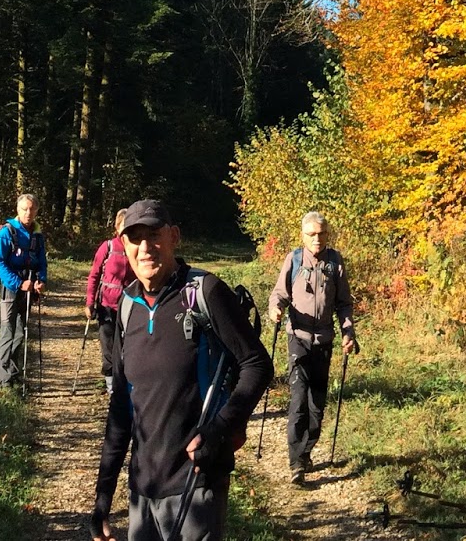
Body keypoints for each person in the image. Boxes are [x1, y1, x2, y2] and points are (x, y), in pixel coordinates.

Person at [90, 198, 272, 541]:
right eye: (135, 238)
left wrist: (219, 429)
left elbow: (257, 364)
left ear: (174, 236)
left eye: (154, 235)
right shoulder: (127, 307)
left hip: (198, 480)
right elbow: (120, 409)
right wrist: (102, 498)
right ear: (123, 244)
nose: (145, 248)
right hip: (143, 487)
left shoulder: (206, 292)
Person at [267, 210, 357, 485]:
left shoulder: (334, 261)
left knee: (317, 406)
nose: (317, 239)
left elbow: (343, 302)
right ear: (303, 236)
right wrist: (275, 309)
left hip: (325, 341)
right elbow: (279, 293)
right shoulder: (294, 259)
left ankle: (306, 451)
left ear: (327, 235)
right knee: (298, 401)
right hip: (298, 338)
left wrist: (348, 331)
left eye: (321, 234)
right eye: (312, 234)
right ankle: (296, 463)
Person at [0, 193, 47, 390]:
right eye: (24, 209)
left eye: (32, 209)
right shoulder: (7, 232)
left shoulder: (37, 235)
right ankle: (5, 380)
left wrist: (41, 280)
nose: (28, 213)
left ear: (37, 210)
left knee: (21, 332)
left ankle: (13, 374)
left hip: (30, 288)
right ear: (17, 209)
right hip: (10, 288)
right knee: (7, 332)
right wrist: (18, 283)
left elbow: (42, 261)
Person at [87, 208, 133, 392]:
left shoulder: (135, 248)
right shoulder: (108, 247)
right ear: (117, 227)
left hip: (130, 305)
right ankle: (110, 381)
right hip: (107, 304)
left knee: (127, 344)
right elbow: (94, 275)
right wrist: (90, 302)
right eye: (124, 225)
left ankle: (126, 379)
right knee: (108, 344)